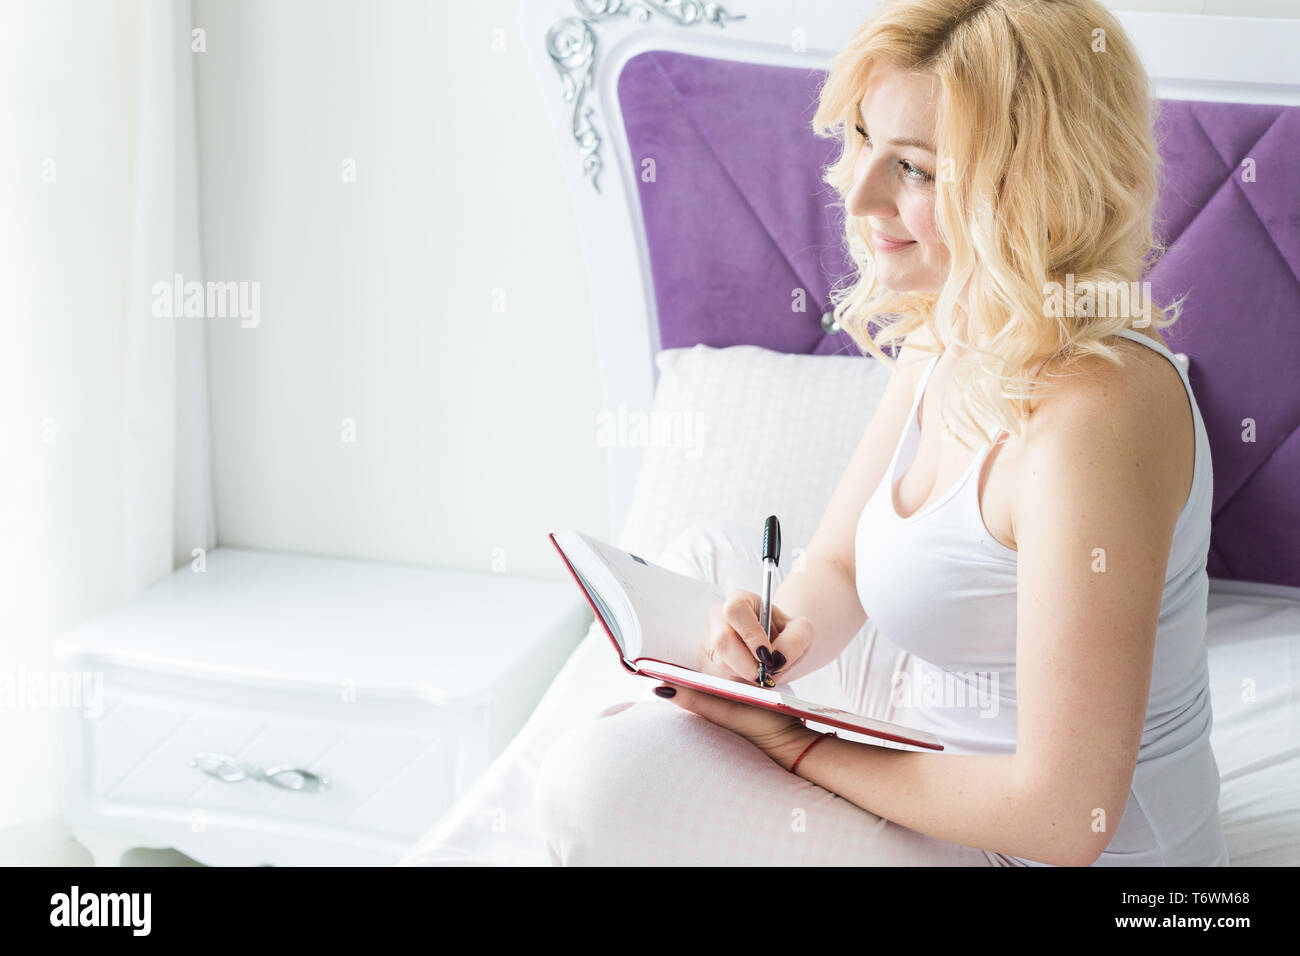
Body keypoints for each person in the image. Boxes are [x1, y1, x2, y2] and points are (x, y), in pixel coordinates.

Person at [535, 0, 1228, 867]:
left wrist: (799, 749)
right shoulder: (958, 324)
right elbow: (840, 563)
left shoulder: (1096, 415)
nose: (856, 194)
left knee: (599, 782)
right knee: (710, 560)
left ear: (1036, 183)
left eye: (914, 168)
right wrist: (780, 637)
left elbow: (1066, 818)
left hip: (1029, 849)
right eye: (860, 137)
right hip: (935, 727)